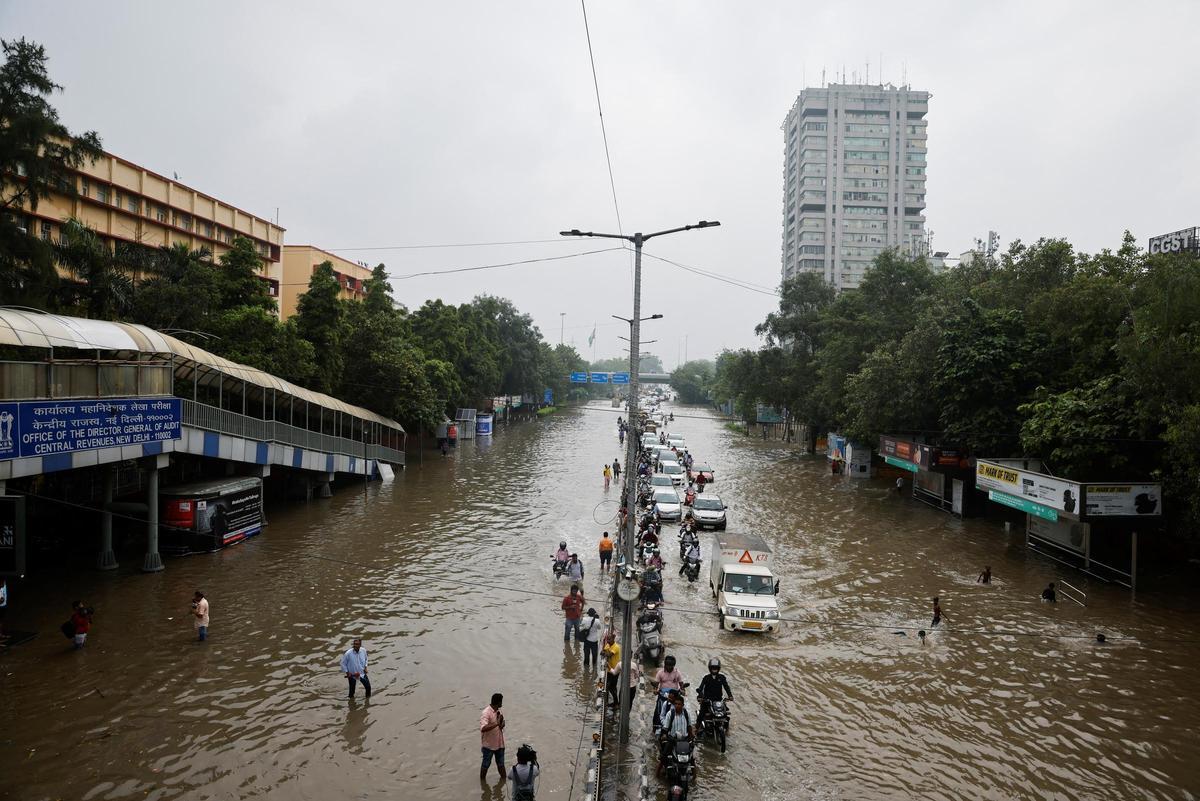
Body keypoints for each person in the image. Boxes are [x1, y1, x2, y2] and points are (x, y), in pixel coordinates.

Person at [696, 657, 734, 728]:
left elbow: (726, 687)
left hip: (718, 700)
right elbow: (701, 688)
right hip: (707, 700)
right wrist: (700, 697)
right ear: (710, 668)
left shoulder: (722, 677)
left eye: (716, 668)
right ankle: (696, 728)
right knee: (702, 713)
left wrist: (730, 696)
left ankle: (727, 728)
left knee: (725, 713)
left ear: (719, 668)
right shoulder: (706, 678)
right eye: (713, 668)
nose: (714, 669)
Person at [653, 655, 685, 731]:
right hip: (663, 696)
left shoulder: (677, 673)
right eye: (667, 665)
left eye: (671, 665)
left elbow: (681, 684)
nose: (669, 667)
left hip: (675, 696)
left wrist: (683, 690)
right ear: (665, 664)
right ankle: (656, 726)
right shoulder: (660, 673)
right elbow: (656, 685)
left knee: (680, 709)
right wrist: (655, 690)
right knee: (658, 712)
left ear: (673, 665)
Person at [480, 693, 506, 781]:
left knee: (501, 765)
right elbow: (483, 728)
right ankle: (482, 782)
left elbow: (501, 725)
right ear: (498, 702)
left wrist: (502, 723)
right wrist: (496, 723)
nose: (502, 704)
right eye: (501, 701)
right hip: (489, 746)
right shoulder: (486, 712)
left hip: (499, 744)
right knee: (485, 765)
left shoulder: (499, 711)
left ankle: (503, 782)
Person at [602, 633, 621, 708]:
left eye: (609, 639)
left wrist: (605, 653)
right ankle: (614, 702)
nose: (608, 641)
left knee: (612, 687)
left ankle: (616, 703)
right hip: (609, 670)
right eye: (607, 639)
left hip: (615, 670)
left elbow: (608, 655)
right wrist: (605, 652)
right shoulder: (608, 645)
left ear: (613, 639)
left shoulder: (616, 647)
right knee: (610, 686)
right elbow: (602, 652)